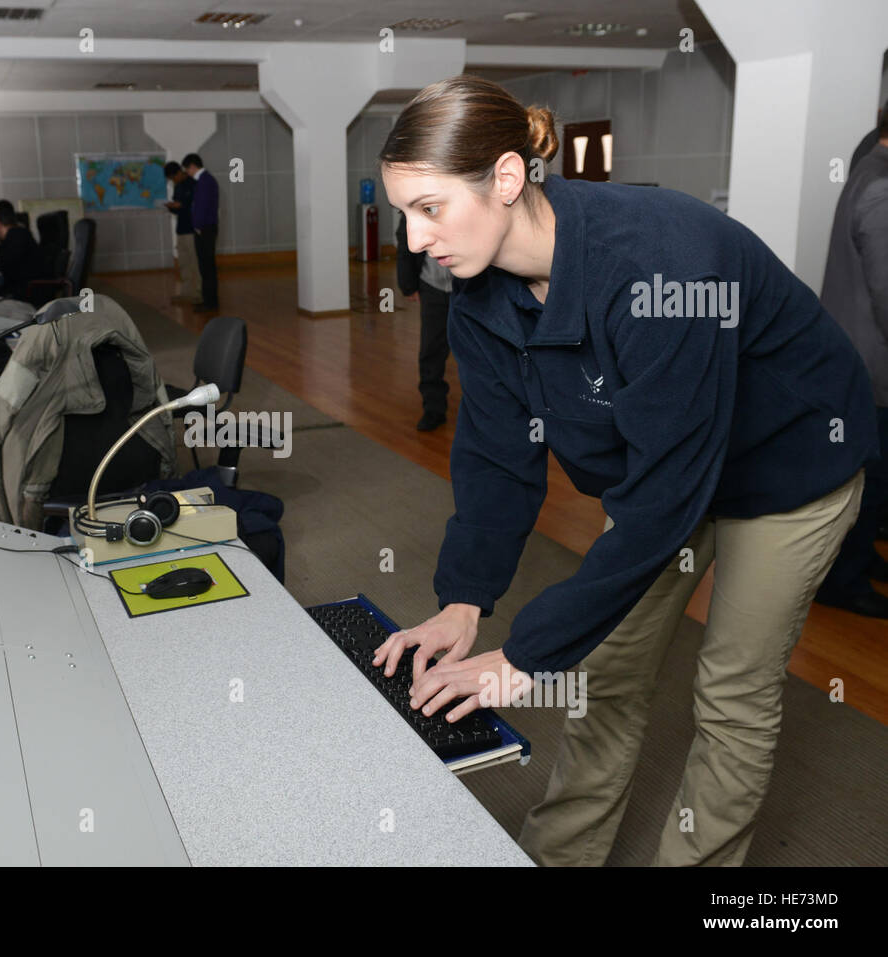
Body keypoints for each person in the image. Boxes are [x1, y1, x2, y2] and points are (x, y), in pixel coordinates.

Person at [371, 75, 878, 867]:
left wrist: (523, 653)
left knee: (731, 692)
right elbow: (499, 458)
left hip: (787, 463)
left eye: (429, 208)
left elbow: (661, 506)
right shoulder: (479, 300)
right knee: (605, 671)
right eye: (402, 212)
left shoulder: (660, 265)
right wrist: (464, 597)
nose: (412, 241)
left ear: (507, 178)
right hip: (662, 465)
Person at [814, 106, 888, 617]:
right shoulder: (882, 188)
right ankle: (844, 580)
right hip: (874, 363)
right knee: (872, 477)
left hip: (855, 357)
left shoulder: (866, 169)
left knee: (867, 474)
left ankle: (856, 564)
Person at [396, 210, 455, 430]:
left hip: (471, 288)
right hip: (432, 287)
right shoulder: (414, 205)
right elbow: (404, 242)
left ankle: (486, 412)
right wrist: (407, 284)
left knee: (478, 351)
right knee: (431, 350)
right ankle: (433, 408)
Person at [0, 200, 43, 302]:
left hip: (25, 290)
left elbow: (0, 265)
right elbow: (5, 259)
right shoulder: (18, 233)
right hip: (25, 285)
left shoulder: (15, 236)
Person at [182, 153, 219, 312]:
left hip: (205, 228)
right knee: (205, 266)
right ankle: (207, 299)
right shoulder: (205, 180)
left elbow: (201, 206)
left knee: (207, 266)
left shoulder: (204, 181)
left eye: (187, 169)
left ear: (192, 166)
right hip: (205, 227)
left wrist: (197, 225)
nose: (187, 173)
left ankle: (210, 302)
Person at [163, 161, 201, 306]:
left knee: (195, 263)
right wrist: (172, 207)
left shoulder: (193, 183)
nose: (173, 181)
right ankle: (187, 293)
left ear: (179, 173)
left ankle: (198, 293)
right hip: (181, 229)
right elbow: (178, 207)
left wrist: (182, 205)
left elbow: (194, 205)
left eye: (173, 178)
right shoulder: (178, 186)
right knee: (184, 263)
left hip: (193, 230)